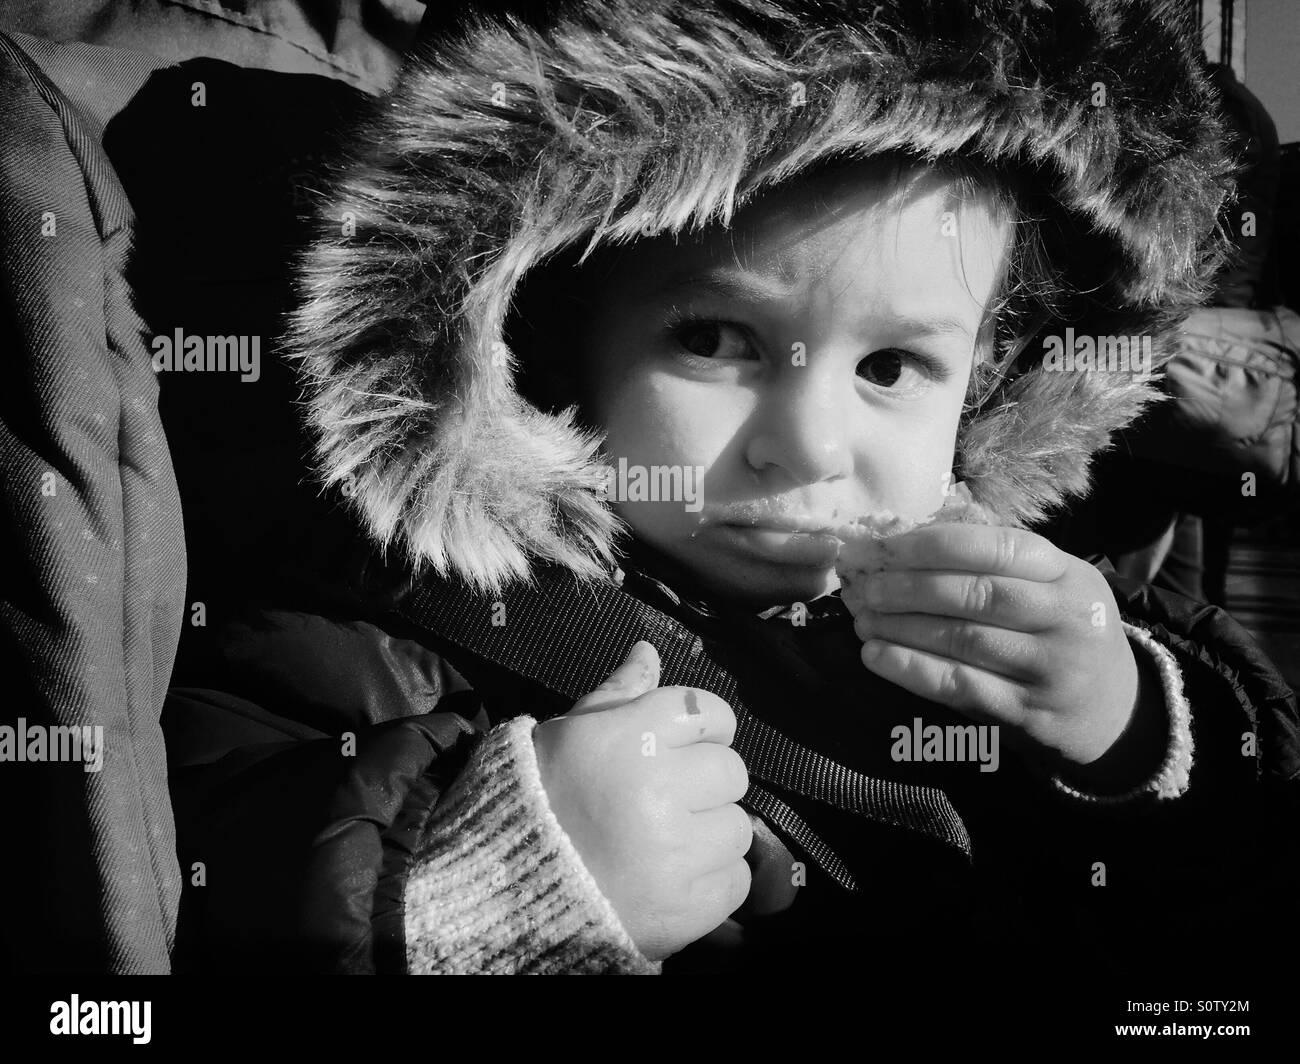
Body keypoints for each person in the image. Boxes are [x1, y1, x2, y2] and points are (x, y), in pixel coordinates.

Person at [162, 0, 1299, 975]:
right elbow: (189, 878)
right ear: (542, 343)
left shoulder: (994, 603)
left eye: (893, 367)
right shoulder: (379, 626)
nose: (809, 446)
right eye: (713, 338)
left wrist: (1124, 724)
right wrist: (497, 877)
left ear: (987, 388)